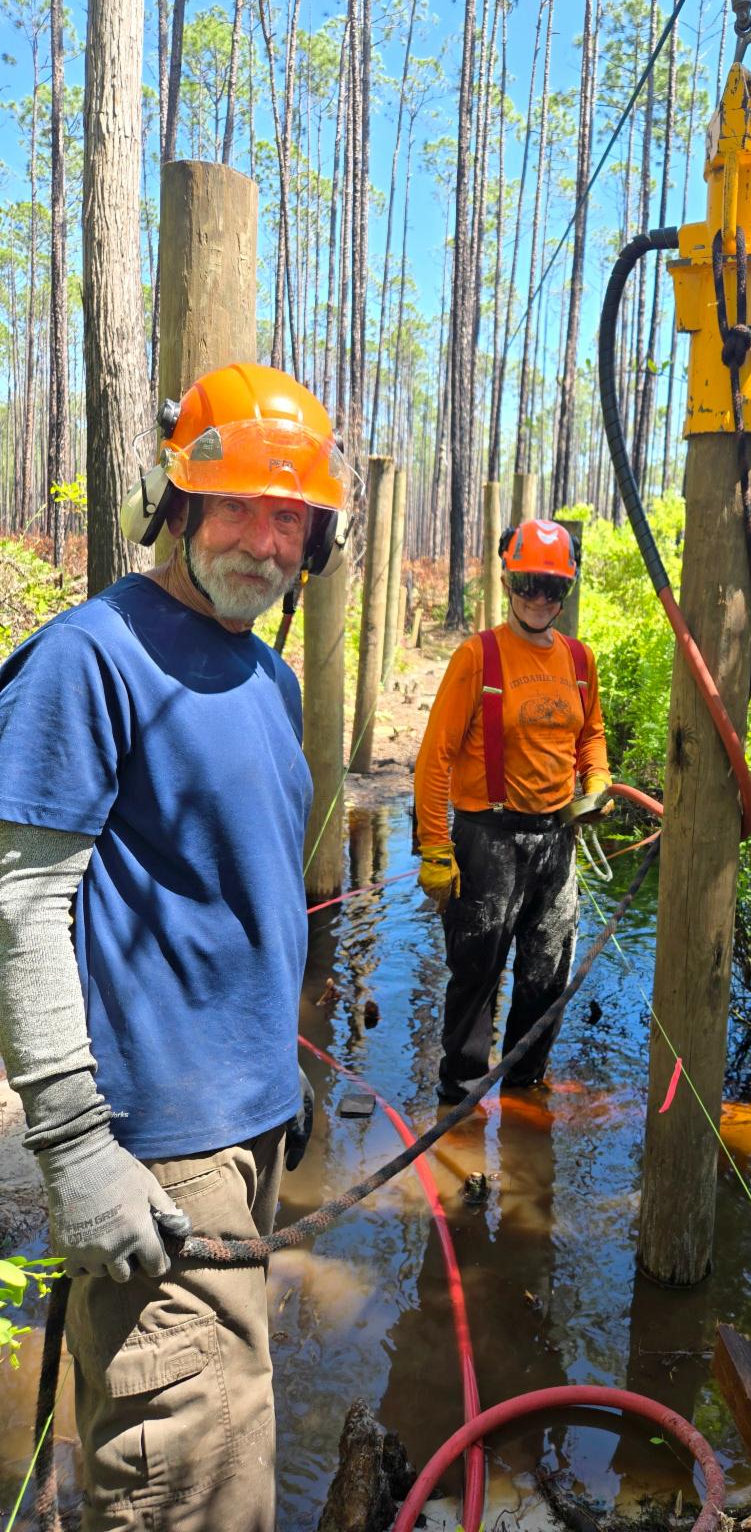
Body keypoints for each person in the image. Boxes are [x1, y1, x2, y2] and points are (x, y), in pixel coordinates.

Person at [0, 362, 347, 1531]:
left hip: (240, 1140)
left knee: (222, 1463)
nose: (264, 541)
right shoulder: (87, 660)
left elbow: (231, 891)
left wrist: (273, 1059)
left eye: (291, 516)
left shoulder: (270, 675)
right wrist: (74, 1147)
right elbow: (24, 908)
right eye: (241, 505)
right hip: (150, 1165)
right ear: (181, 503)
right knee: (192, 1490)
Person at [414, 518, 612, 1103]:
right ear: (507, 579)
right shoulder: (478, 657)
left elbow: (591, 734)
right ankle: (461, 1102)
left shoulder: (579, 660)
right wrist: (434, 848)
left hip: (556, 840)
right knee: (477, 975)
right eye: (527, 583)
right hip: (487, 839)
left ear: (566, 591)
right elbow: (434, 760)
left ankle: (525, 1096)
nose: (538, 598)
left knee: (546, 975)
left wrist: (596, 779)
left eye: (552, 588)